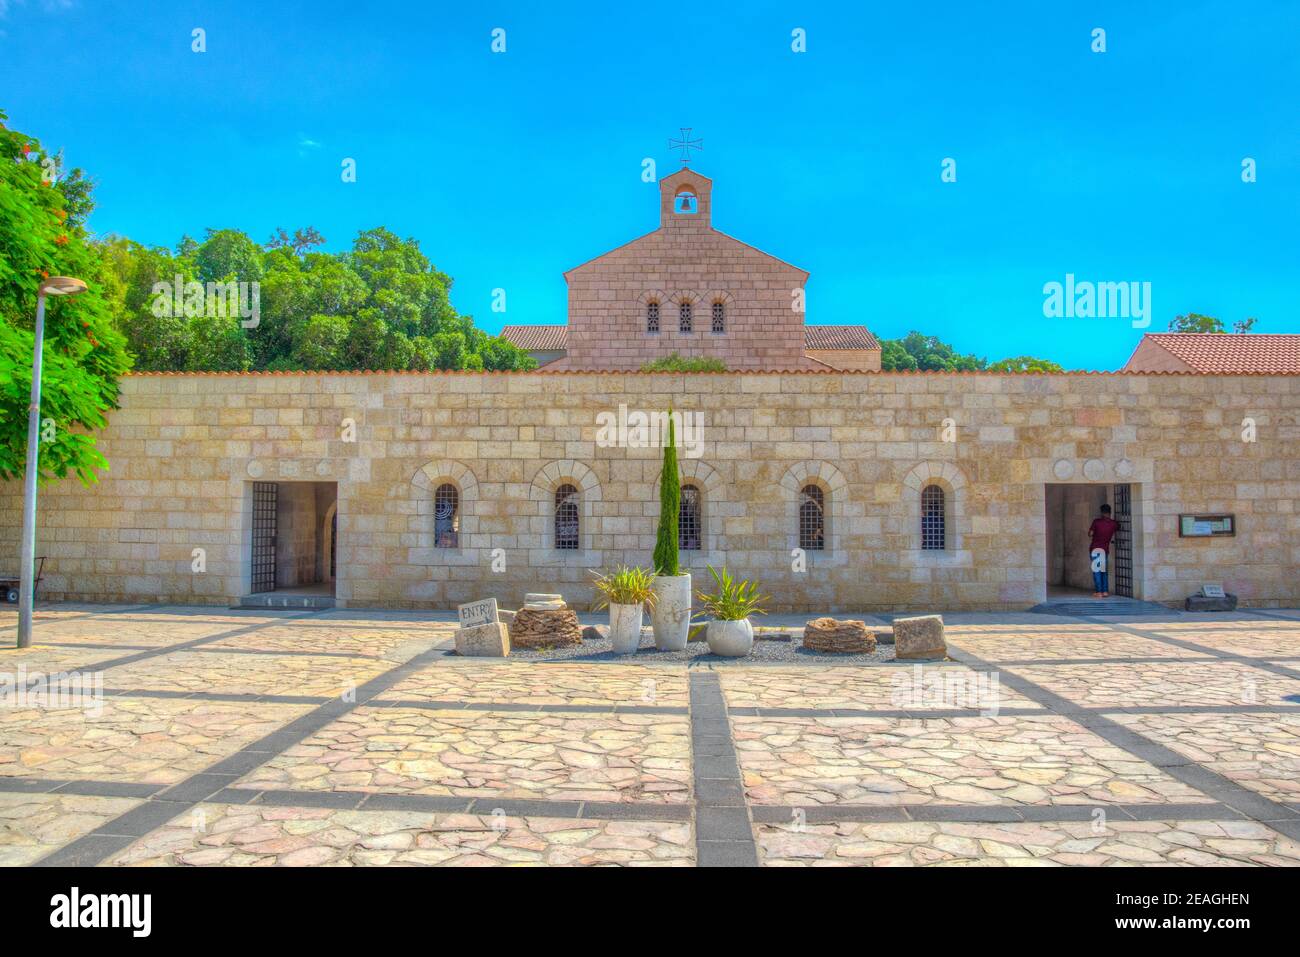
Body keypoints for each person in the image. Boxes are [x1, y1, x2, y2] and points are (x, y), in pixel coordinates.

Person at [1088, 504, 1120, 597]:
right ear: (1110, 512)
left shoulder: (1096, 522)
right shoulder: (1113, 524)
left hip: (1095, 548)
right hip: (1105, 549)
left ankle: (1099, 592)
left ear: (1102, 512)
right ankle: (1105, 591)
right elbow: (1118, 527)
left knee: (1096, 570)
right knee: (1103, 570)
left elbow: (1090, 533)